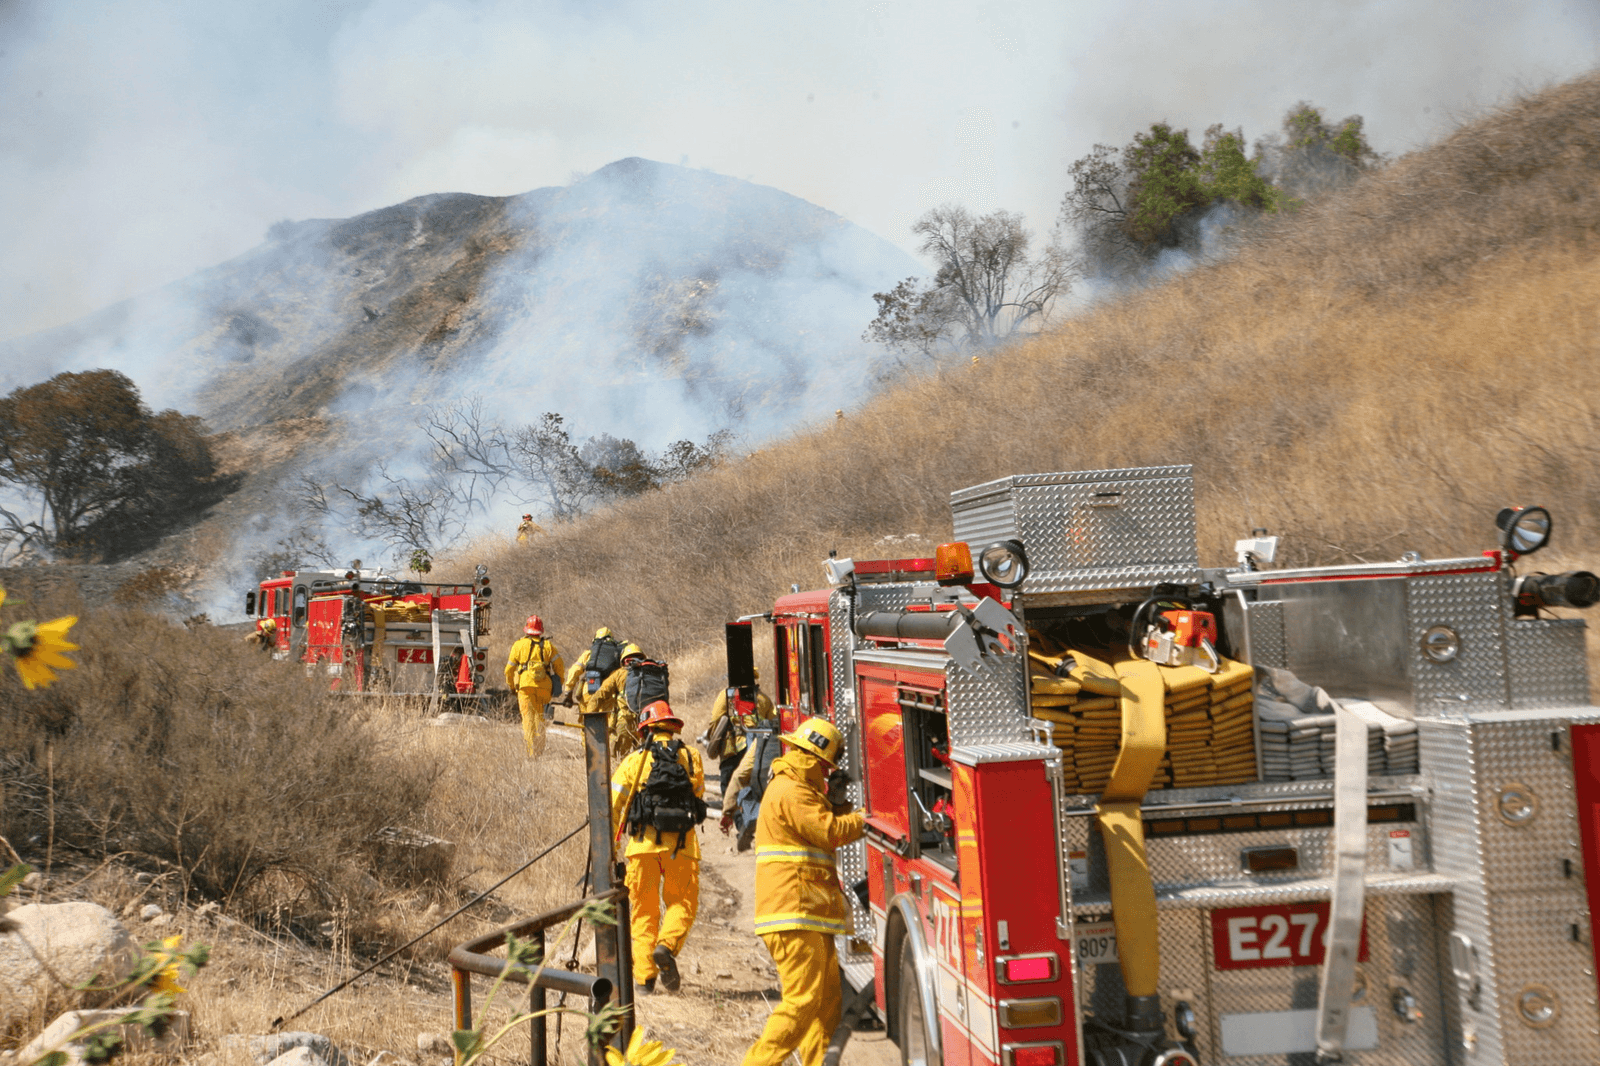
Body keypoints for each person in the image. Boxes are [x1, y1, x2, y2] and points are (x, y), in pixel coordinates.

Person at [742, 717, 863, 1066]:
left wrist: (838, 803)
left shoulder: (802, 790)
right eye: (825, 768)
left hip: (807, 912)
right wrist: (864, 818)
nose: (827, 775)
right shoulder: (792, 791)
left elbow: (819, 827)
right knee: (801, 1002)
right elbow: (828, 833)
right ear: (813, 760)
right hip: (793, 912)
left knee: (825, 1004)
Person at [610, 699, 706, 996]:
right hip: (682, 845)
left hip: (642, 847)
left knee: (643, 914)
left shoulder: (634, 761)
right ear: (672, 727)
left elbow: (614, 806)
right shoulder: (690, 757)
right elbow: (697, 795)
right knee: (682, 904)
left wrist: (611, 849)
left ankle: (644, 981)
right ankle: (666, 946)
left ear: (644, 730)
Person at [705, 666, 776, 798]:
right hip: (755, 751)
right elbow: (773, 724)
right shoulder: (764, 699)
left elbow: (715, 720)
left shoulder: (726, 695)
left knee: (729, 790)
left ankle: (730, 814)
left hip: (731, 750)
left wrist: (716, 741)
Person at [504, 615, 564, 757]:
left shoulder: (519, 645)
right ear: (541, 630)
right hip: (544, 688)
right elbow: (559, 667)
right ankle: (539, 750)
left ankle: (532, 753)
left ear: (527, 629)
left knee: (528, 719)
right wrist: (558, 683)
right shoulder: (549, 646)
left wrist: (512, 686)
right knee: (540, 719)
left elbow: (509, 670)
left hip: (525, 688)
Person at [562, 627, 629, 750]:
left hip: (589, 690)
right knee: (608, 724)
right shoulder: (616, 653)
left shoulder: (589, 653)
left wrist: (568, 692)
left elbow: (573, 671)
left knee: (587, 722)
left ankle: (589, 752)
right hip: (607, 693)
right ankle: (606, 753)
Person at [591, 643, 648, 759]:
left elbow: (598, 696)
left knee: (621, 759)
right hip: (647, 723)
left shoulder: (618, 674)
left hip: (625, 723)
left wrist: (590, 718)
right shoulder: (650, 673)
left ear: (624, 661)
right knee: (646, 759)